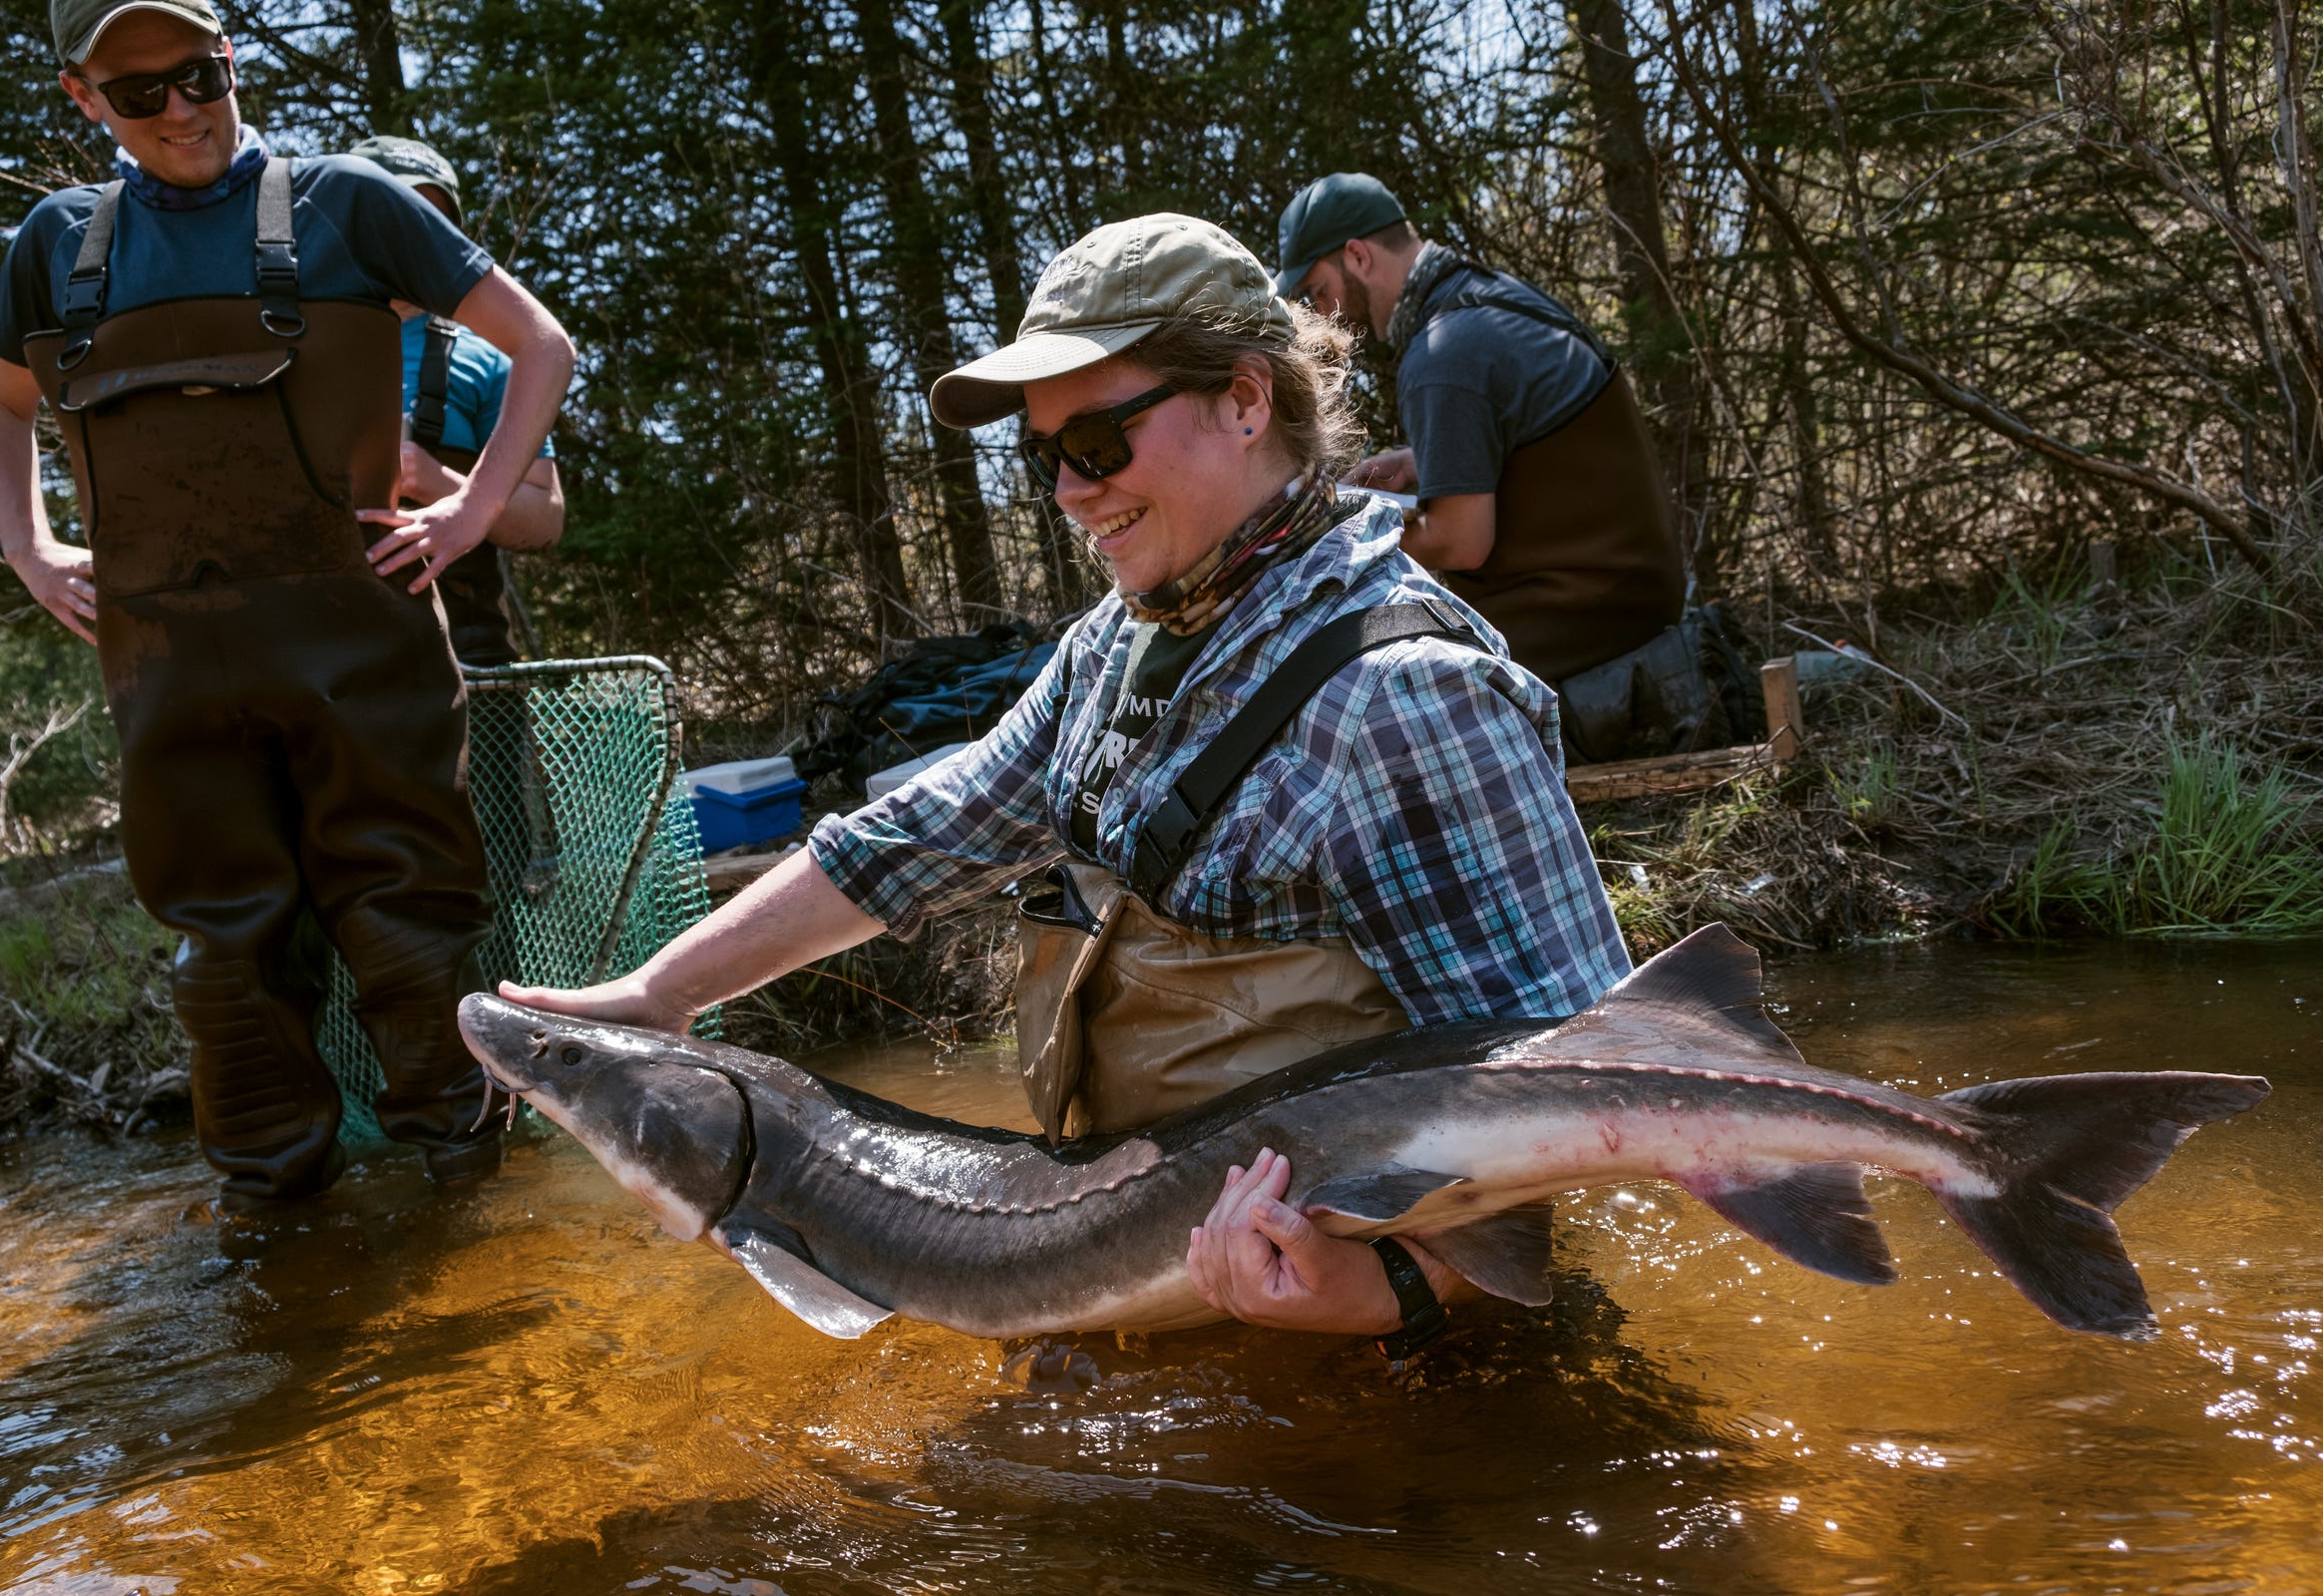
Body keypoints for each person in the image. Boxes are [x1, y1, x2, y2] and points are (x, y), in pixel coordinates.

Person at [505, 214, 1631, 1355]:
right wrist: (661, 995)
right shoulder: (1116, 646)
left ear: (1247, 399)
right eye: (1043, 456)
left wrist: (1394, 1288)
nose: (1067, 493)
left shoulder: (1408, 695)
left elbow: (1595, 1096)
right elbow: (914, 838)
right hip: (1149, 1279)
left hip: (1417, 1357)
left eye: (1095, 442)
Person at [0, 0, 575, 1207]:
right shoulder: (57, 245)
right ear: (86, 102)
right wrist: (33, 552)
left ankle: (471, 1215)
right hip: (167, 678)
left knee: (407, 928)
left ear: (232, 61)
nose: (183, 109)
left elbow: (540, 345)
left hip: (366, 658)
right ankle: (278, 1255)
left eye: (200, 75)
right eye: (141, 93)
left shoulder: (349, 203)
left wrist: (462, 512)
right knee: (224, 967)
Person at [1275, 173, 1697, 756]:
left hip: (1588, 630)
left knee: (1365, 696)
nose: (1323, 311)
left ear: (1357, 256)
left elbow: (1461, 542)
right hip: (1639, 599)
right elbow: (1541, 452)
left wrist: (1344, 537)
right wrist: (1420, 463)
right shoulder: (1495, 298)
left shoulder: (1442, 351)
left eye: (1319, 290)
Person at [349, 135, 563, 669]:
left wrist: (439, 483)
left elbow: (545, 521)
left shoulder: (496, 356)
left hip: (468, 666)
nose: (409, 236)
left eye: (430, 219)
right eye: (391, 214)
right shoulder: (287, 344)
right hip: (321, 665)